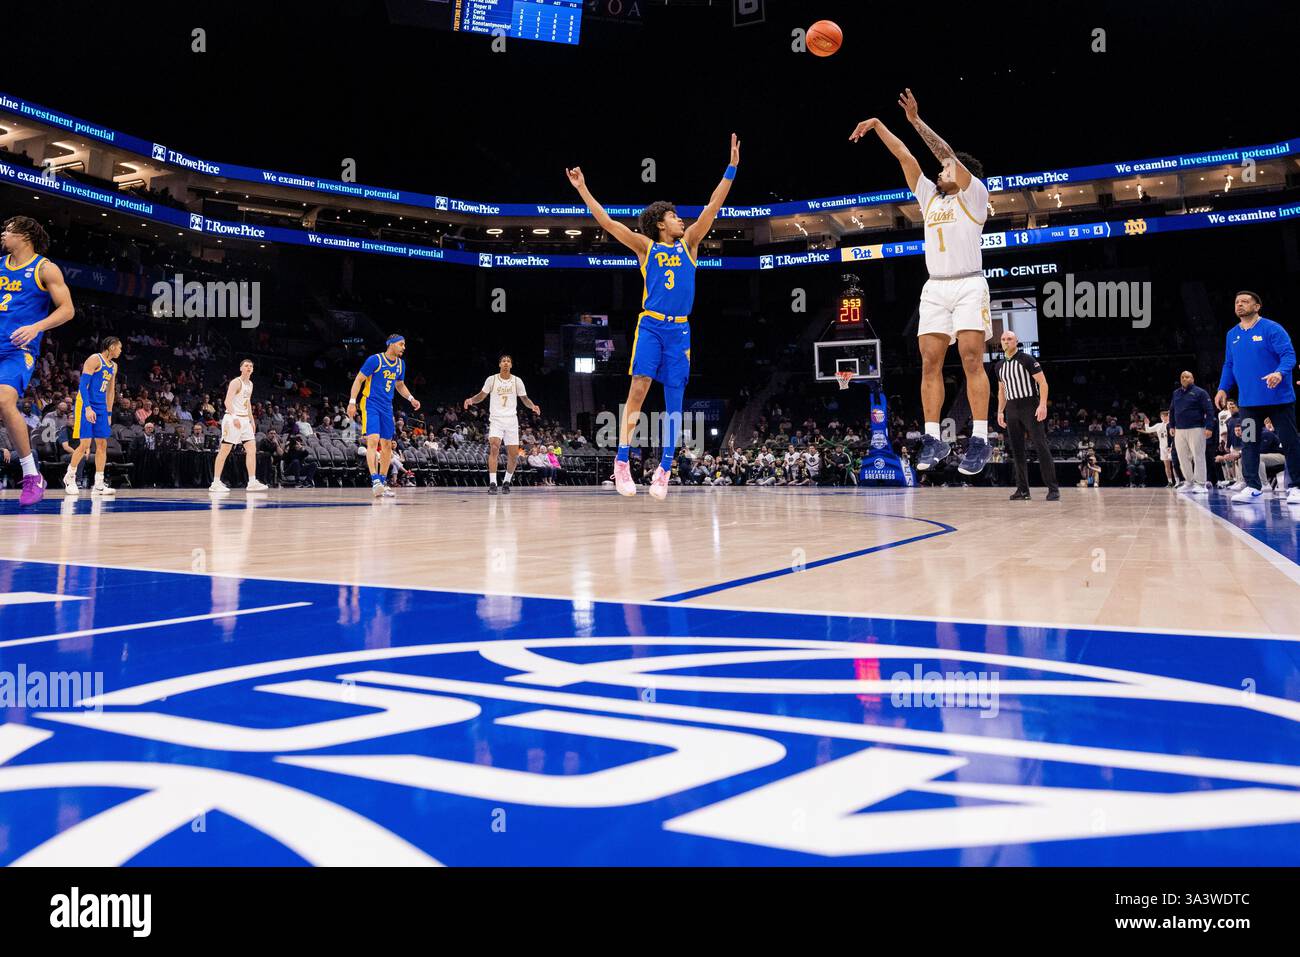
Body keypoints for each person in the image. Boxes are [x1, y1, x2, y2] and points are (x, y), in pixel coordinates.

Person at [566, 132, 740, 500]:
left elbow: (713, 206)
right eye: (675, 216)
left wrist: (731, 168)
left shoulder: (691, 243)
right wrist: (583, 189)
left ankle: (663, 469)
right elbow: (609, 224)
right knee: (639, 388)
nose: (682, 220)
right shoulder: (645, 247)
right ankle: (623, 462)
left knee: (675, 401)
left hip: (680, 332)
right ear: (662, 223)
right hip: (652, 325)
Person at [850, 89, 992, 476]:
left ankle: (980, 439)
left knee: (970, 359)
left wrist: (915, 122)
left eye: (945, 170)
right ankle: (933, 437)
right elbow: (906, 157)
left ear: (960, 174)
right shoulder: (930, 197)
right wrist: (879, 124)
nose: (938, 172)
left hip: (968, 284)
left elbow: (943, 154)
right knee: (930, 362)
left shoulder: (974, 195)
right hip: (935, 287)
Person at [0, 215, 76, 506]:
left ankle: (32, 475)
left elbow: (67, 310)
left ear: (24, 236)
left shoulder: (45, 268)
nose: (3, 235)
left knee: (5, 401)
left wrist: (36, 327)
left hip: (17, 349)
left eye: (8, 230)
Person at [1215, 291, 1300, 505]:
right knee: (1249, 443)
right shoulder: (1232, 334)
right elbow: (1229, 364)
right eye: (1236, 302)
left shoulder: (1272, 329)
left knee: (1289, 441)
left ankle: (1296, 486)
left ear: (1257, 306)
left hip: (1278, 400)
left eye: (1245, 301)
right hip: (1250, 404)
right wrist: (1223, 388)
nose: (1239, 305)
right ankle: (1253, 487)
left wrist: (1279, 372)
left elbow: (1289, 355)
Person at [347, 334, 420, 498]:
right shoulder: (375, 360)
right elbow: (359, 380)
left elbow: (399, 385)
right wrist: (352, 402)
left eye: (404, 344)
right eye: (401, 344)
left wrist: (411, 398)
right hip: (370, 403)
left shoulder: (401, 364)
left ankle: (382, 481)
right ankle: (375, 481)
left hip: (387, 407)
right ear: (391, 344)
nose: (404, 347)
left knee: (387, 445)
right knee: (373, 440)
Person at [994, 331, 1060, 501]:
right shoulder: (999, 365)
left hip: (1029, 405)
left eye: (1009, 339)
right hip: (1011, 408)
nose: (1006, 341)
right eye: (1003, 339)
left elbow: (1043, 383)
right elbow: (1001, 391)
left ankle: (1053, 489)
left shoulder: (1027, 359)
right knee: (1017, 451)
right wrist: (1000, 411)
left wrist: (1042, 404)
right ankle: (1023, 490)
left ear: (1016, 341)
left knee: (1041, 447)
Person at [463, 353, 541, 495]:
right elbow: (481, 395)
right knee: (494, 447)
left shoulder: (517, 381)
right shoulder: (491, 379)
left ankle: (506, 482)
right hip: (496, 420)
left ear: (511, 365)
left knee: (514, 455)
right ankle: (493, 483)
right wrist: (471, 400)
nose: (506, 363)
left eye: (508, 361)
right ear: (500, 364)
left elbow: (524, 398)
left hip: (511, 420)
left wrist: (533, 406)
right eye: (503, 361)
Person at [63, 336, 122, 496]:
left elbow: (110, 391)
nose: (120, 350)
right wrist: (88, 408)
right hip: (86, 404)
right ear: (111, 347)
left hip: (101, 407)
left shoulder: (114, 366)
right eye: (119, 347)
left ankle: (99, 484)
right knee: (84, 444)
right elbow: (83, 385)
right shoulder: (94, 359)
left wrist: (109, 413)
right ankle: (70, 477)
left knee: (102, 444)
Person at [210, 359, 269, 493]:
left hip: (245, 420)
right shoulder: (236, 382)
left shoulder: (251, 384)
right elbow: (227, 401)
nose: (249, 367)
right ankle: (215, 482)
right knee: (225, 450)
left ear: (253, 370)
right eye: (246, 365)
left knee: (251, 449)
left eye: (251, 366)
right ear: (241, 368)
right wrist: (235, 416)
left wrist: (252, 420)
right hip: (232, 419)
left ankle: (252, 481)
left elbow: (247, 403)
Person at [1169, 370, 1215, 495]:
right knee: (1182, 457)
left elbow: (1210, 410)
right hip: (1179, 430)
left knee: (1198, 455)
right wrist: (1171, 425)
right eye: (1182, 377)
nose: (1184, 379)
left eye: (1187, 377)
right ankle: (1189, 482)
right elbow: (1172, 410)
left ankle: (1201, 483)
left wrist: (1209, 427)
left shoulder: (1200, 392)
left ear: (1193, 378)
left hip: (1197, 428)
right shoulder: (1176, 393)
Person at [1140, 410, 1176, 487]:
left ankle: (1178, 481)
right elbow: (1148, 430)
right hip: (1162, 447)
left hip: (1171, 447)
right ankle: (1170, 482)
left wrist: (1172, 446)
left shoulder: (1172, 424)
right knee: (1167, 466)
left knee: (1174, 465)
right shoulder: (1158, 425)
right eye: (1162, 416)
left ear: (1168, 416)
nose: (1164, 418)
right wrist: (1147, 424)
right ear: (1160, 417)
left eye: (1165, 416)